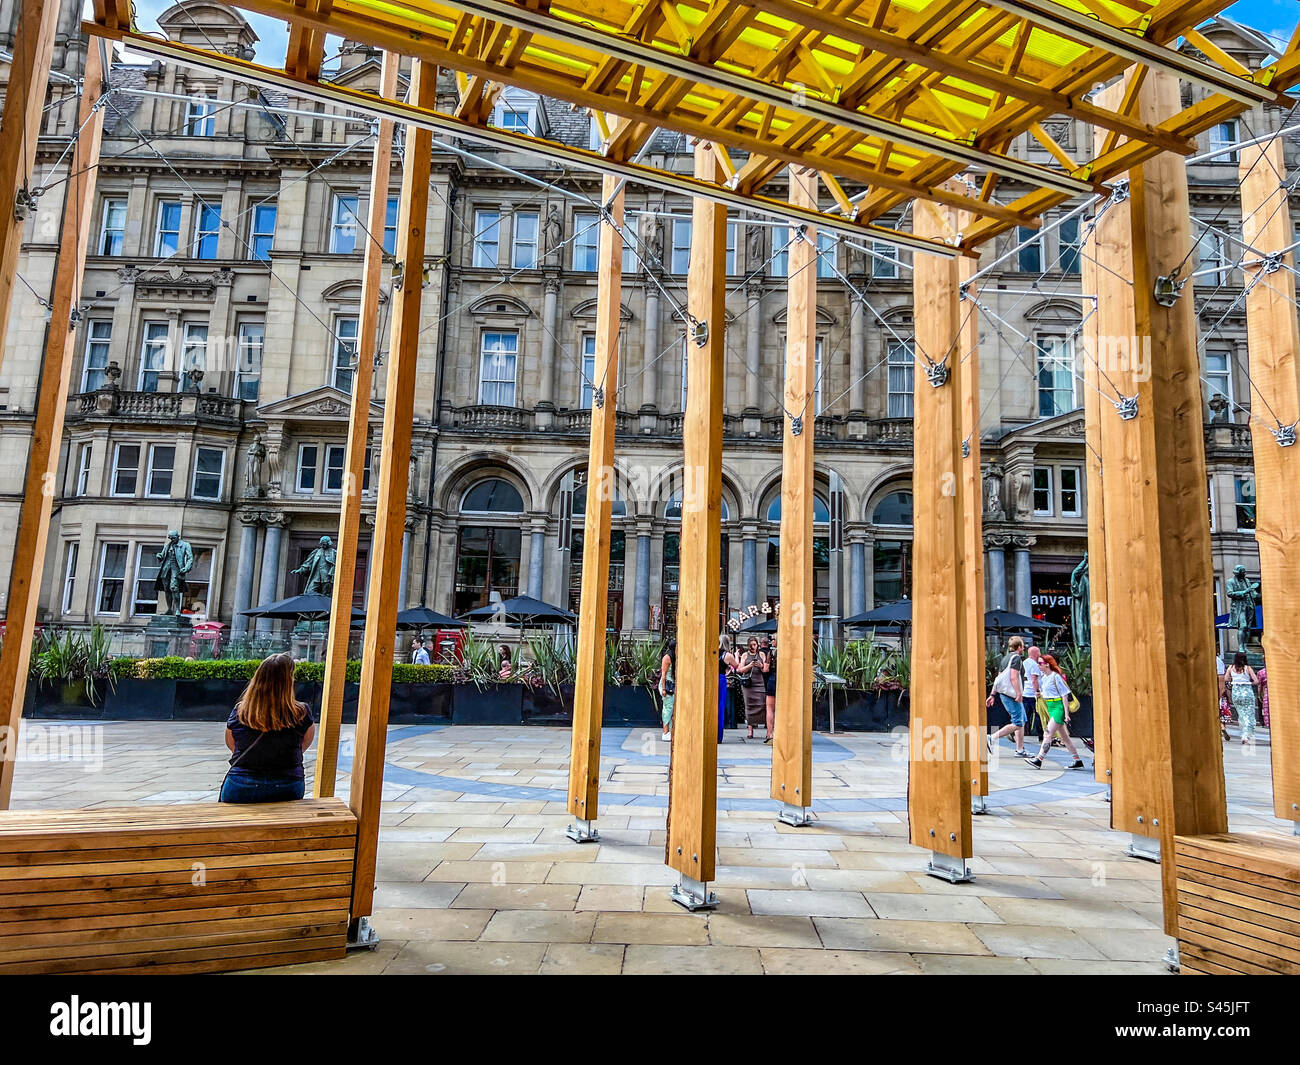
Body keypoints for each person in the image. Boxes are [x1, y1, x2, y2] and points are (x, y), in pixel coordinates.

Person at [220, 653, 315, 803]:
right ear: (289, 681)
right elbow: (303, 744)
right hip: (287, 784)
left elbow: (232, 744)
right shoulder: (302, 712)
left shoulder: (241, 711)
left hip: (241, 783)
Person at [1025, 654, 1085, 770]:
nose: (1038, 665)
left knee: (1047, 733)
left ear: (1047, 664)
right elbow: (1050, 692)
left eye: (1040, 663)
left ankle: (1039, 759)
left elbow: (1064, 695)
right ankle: (1077, 760)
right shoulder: (1044, 677)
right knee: (1065, 738)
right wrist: (1040, 694)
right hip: (1050, 706)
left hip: (1058, 707)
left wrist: (1066, 714)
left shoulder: (1056, 677)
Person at [986, 646, 1028, 757]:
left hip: (1005, 693)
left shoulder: (1005, 658)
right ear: (1019, 647)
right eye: (1023, 646)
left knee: (1021, 720)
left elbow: (998, 678)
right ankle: (991, 738)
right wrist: (1019, 693)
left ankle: (1020, 749)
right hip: (1011, 694)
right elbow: (1013, 677)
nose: (1024, 648)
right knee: (1018, 722)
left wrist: (992, 694)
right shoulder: (1016, 658)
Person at [1222, 651, 1260, 745]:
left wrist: (1234, 680)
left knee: (1241, 715)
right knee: (1249, 715)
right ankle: (1246, 735)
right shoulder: (1247, 668)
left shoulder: (1231, 667)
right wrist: (1249, 682)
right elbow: (1256, 681)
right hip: (1247, 692)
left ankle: (1244, 733)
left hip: (1236, 693)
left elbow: (1226, 679)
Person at [738, 636, 769, 742]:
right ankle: (750, 730)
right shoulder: (745, 655)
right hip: (748, 685)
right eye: (751, 645)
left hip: (759, 683)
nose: (753, 647)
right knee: (749, 706)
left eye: (755, 644)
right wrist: (749, 666)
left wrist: (760, 666)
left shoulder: (761, 654)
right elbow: (740, 669)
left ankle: (766, 729)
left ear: (758, 645)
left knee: (762, 705)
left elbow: (765, 669)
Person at [718, 634, 738, 742]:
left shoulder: (714, 652)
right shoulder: (728, 655)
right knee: (720, 706)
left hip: (711, 677)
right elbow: (736, 666)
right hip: (720, 679)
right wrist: (737, 656)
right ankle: (718, 735)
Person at [659, 640, 676, 741]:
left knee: (671, 707)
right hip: (667, 685)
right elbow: (664, 674)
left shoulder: (674, 657)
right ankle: (665, 732)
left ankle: (669, 730)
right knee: (668, 707)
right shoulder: (667, 657)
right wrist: (664, 689)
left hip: (672, 684)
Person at [762, 634, 777, 744]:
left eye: (773, 639)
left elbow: (766, 669)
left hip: (772, 679)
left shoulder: (771, 653)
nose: (771, 641)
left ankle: (770, 733)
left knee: (770, 708)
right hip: (785, 680)